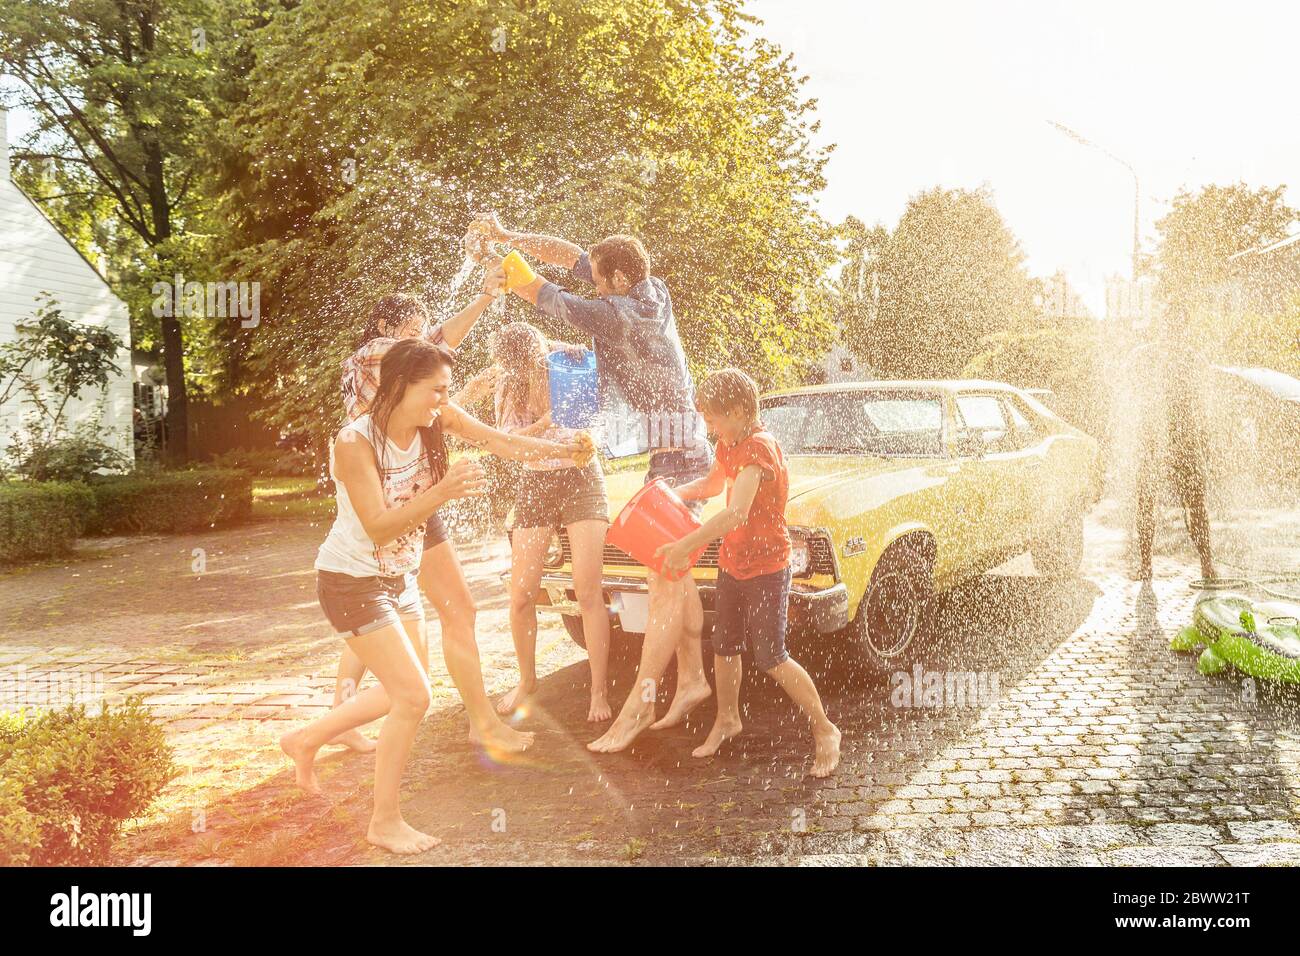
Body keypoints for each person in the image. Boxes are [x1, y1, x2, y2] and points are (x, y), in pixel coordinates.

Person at [474, 214, 713, 752]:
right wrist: (513, 235)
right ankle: (694, 678)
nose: (594, 282)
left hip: (681, 457)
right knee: (677, 580)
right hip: (676, 451)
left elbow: (544, 293)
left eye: (600, 279)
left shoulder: (616, 315)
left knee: (662, 582)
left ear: (619, 282)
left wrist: (502, 260)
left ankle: (640, 703)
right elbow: (570, 255)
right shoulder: (656, 291)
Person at [327, 283, 503, 755]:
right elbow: (438, 347)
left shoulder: (379, 362)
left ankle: (340, 718)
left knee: (375, 627)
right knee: (456, 609)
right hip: (396, 498)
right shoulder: (373, 355)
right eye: (411, 329)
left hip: (403, 489)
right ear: (386, 328)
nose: (419, 340)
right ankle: (480, 720)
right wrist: (485, 298)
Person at [655, 369, 841, 778]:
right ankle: (727, 719)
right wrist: (670, 493)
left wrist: (685, 545)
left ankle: (825, 729)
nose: (710, 427)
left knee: (772, 656)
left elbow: (736, 512)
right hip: (732, 565)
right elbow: (709, 485)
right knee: (724, 646)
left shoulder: (759, 449)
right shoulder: (729, 442)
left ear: (739, 410)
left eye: (714, 418)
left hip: (767, 569)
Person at [489, 322, 611, 722]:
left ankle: (599, 689)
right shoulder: (510, 386)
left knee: (587, 590)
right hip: (537, 482)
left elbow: (592, 408)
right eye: (528, 364)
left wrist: (584, 357)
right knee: (521, 594)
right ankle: (527, 681)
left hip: (581, 477)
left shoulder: (564, 359)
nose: (536, 366)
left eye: (538, 356)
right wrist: (545, 423)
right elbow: (510, 446)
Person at [1129, 319, 1216, 582]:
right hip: (1165, 440)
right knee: (1164, 503)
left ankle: (1152, 566)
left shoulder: (1157, 357)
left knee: (1179, 504)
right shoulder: (1174, 358)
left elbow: (1199, 402)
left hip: (1170, 440)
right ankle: (1205, 565)